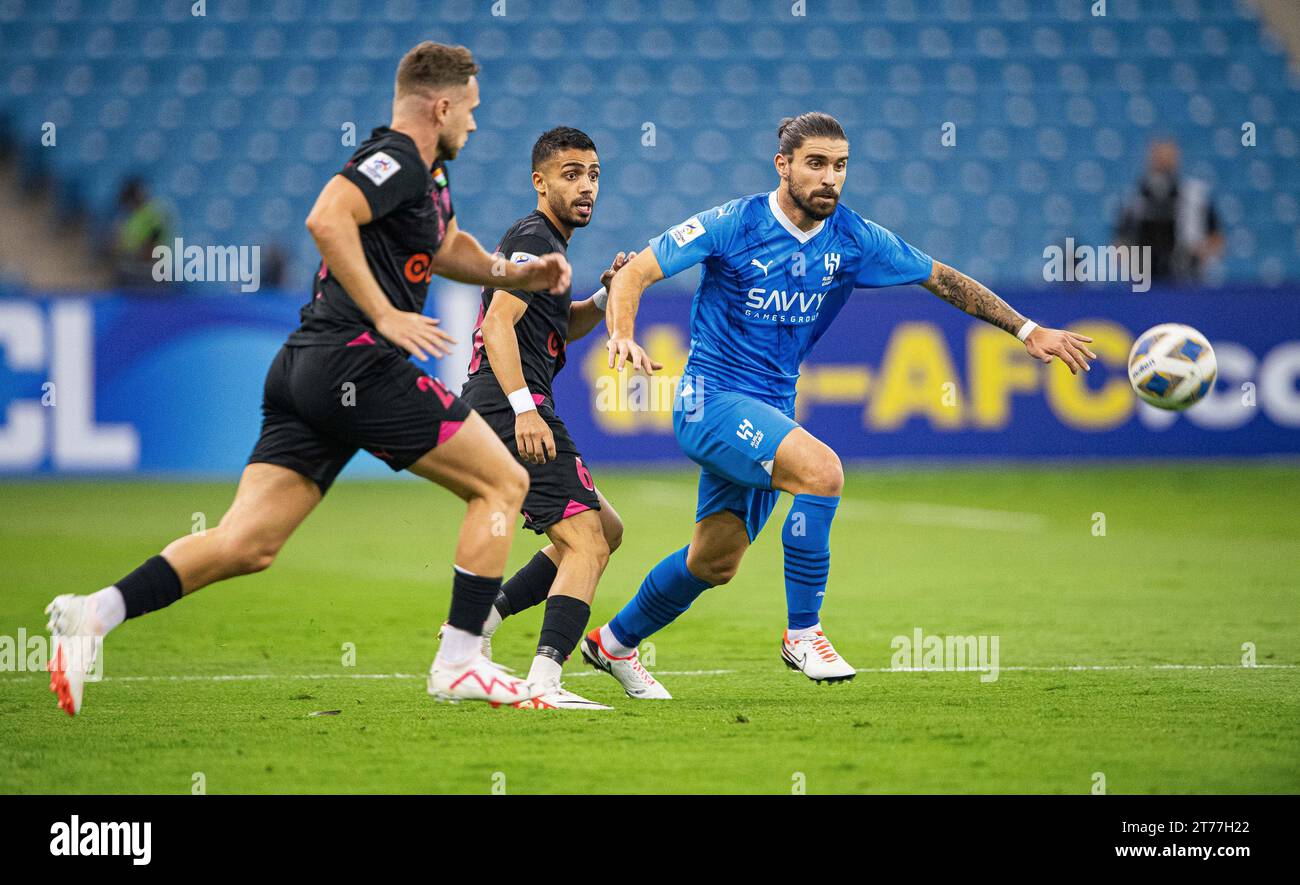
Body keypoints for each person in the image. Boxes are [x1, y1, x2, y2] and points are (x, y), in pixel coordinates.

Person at [43, 41, 573, 716]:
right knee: (504, 481)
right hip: (352, 358)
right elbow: (326, 216)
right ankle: (462, 660)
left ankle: (94, 612)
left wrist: (517, 273)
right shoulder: (397, 158)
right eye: (470, 108)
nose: (475, 121)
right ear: (440, 106)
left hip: (305, 367)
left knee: (246, 542)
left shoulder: (429, 177)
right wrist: (383, 313)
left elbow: (446, 248)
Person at [584, 112, 1095, 698]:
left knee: (714, 560)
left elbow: (940, 276)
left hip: (773, 405)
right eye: (816, 163)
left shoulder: (852, 238)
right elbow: (636, 272)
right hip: (712, 401)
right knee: (823, 472)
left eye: (841, 165)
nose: (830, 177)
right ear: (783, 166)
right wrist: (621, 331)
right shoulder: (733, 223)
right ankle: (803, 634)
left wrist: (1027, 329)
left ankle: (615, 643)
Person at [456, 127, 632, 710]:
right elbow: (497, 325)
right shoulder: (533, 237)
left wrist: (605, 300)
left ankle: (483, 619)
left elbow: (560, 326)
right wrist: (525, 408)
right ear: (540, 182)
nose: (586, 186)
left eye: (594, 174)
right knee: (586, 543)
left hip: (505, 404)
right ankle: (544, 683)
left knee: (606, 529)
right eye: (571, 174)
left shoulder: (549, 245)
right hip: (511, 405)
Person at [1114, 139, 1224, 283]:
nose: (1164, 164)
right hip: (1145, 278)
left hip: (1187, 277)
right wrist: (1130, 261)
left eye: (1168, 159)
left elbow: (1217, 238)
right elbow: (1119, 241)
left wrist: (1201, 252)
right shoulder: (1134, 198)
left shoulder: (1195, 196)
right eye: (1160, 159)